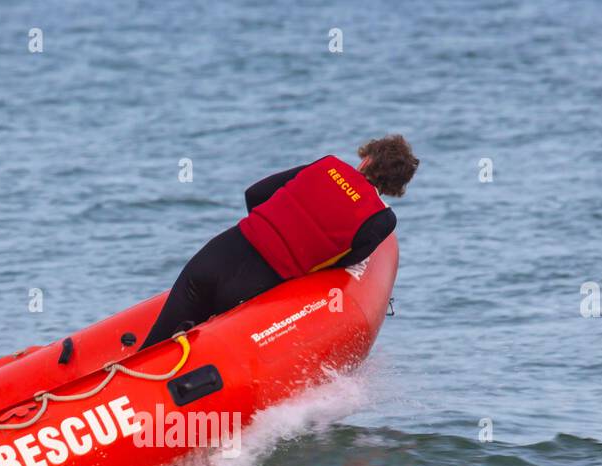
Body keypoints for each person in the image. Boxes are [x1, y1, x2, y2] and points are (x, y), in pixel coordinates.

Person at [140, 134, 419, 349]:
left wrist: (274, 225)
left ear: (366, 160)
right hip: (255, 285)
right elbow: (347, 261)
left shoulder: (327, 165)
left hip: (216, 255)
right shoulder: (381, 220)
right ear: (398, 187)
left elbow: (255, 193)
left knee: (151, 349)